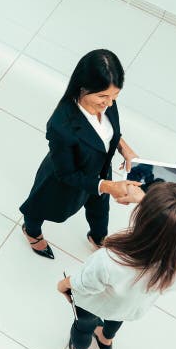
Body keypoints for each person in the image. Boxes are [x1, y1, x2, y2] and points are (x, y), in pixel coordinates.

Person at [57, 183, 176, 349]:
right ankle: (105, 340)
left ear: (142, 220)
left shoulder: (110, 259)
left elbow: (85, 284)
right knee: (115, 319)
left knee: (83, 327)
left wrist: (64, 284)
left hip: (93, 304)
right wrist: (156, 209)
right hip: (131, 307)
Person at [19, 49, 142, 259]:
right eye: (103, 96)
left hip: (100, 172)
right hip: (65, 178)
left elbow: (105, 132)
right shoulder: (61, 124)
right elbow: (67, 174)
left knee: (100, 213)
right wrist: (108, 186)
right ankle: (31, 232)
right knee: (39, 209)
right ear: (83, 87)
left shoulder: (107, 99)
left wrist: (124, 148)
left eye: (115, 96)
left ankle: (98, 238)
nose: (109, 103)